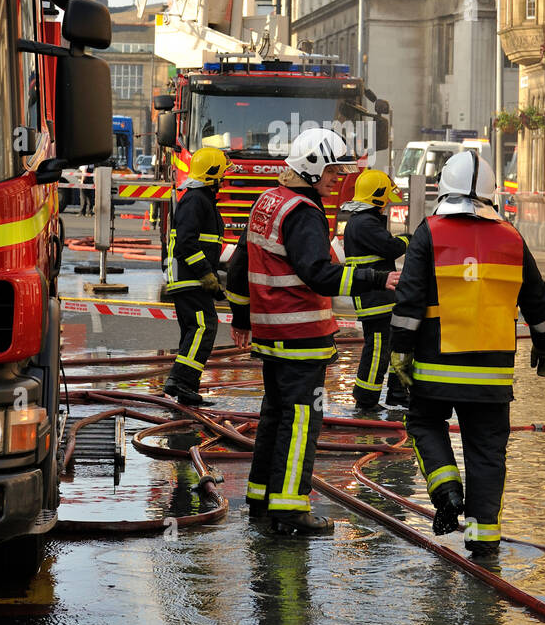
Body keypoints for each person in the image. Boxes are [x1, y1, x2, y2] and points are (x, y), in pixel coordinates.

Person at [227, 128, 398, 536]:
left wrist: (242, 319)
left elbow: (237, 267)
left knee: (275, 413)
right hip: (301, 335)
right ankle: (289, 510)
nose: (339, 180)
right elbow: (319, 274)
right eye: (334, 172)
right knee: (302, 419)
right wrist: (377, 278)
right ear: (313, 167)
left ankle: (261, 498)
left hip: (272, 334)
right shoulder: (303, 211)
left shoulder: (268, 202)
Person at [388, 150, 545, 559]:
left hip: (436, 367)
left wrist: (400, 353)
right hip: (492, 378)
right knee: (486, 450)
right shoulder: (511, 236)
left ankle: (446, 490)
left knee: (424, 424)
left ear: (444, 187)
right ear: (491, 193)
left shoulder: (429, 232)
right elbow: (536, 297)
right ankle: (484, 538)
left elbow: (409, 298)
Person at [162, 147, 229, 406]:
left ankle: (187, 388)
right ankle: (180, 380)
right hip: (189, 278)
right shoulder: (196, 200)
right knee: (204, 326)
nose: (225, 179)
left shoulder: (201, 199)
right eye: (223, 174)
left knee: (194, 330)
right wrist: (206, 275)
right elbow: (186, 244)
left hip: (190, 278)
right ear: (213, 175)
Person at [342, 168, 411, 415]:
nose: (385, 207)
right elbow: (391, 248)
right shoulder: (366, 224)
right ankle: (366, 399)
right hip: (375, 299)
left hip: (376, 297)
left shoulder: (361, 221)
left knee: (388, 346)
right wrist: (408, 239)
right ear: (378, 197)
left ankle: (394, 393)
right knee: (378, 349)